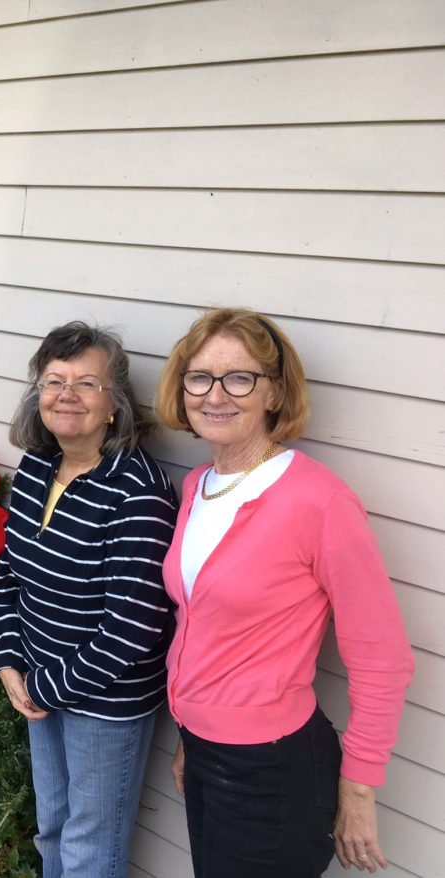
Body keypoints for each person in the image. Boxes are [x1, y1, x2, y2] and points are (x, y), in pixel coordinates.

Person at [153, 307, 414, 877]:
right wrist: (190, 736)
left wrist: (359, 788)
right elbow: (206, 633)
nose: (215, 395)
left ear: (274, 391)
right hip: (204, 753)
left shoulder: (319, 502)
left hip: (271, 771)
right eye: (200, 377)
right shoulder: (198, 486)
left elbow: (382, 657)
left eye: (239, 378)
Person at [0, 322, 178, 878]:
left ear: (115, 403)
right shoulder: (36, 466)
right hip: (38, 682)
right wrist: (8, 660)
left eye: (86, 383)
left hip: (105, 701)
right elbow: (8, 572)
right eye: (54, 381)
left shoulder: (138, 491)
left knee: (90, 848)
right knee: (52, 827)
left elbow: (131, 629)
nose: (66, 394)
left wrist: (44, 688)